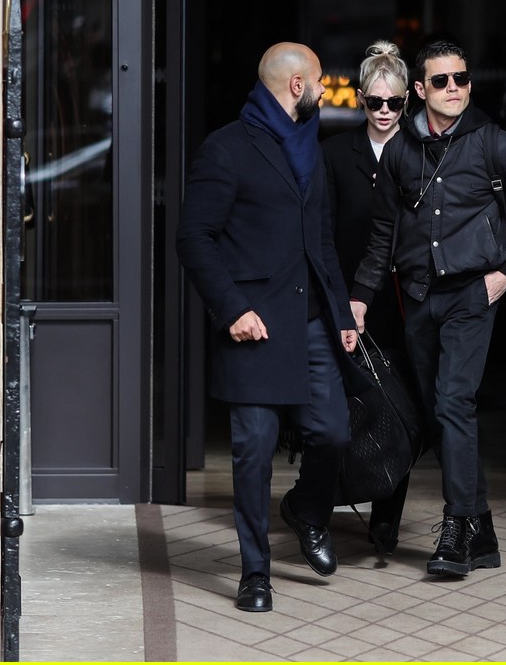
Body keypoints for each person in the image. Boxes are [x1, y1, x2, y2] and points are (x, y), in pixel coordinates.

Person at [349, 39, 506, 576]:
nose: (453, 88)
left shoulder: (497, 145)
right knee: (438, 415)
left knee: (453, 404)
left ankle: (456, 531)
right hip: (419, 297)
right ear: (420, 89)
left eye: (461, 78)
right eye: (441, 81)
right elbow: (382, 235)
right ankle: (482, 529)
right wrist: (360, 298)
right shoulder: (400, 151)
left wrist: (504, 276)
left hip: (472, 295)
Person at [177, 42, 359, 614]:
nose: (326, 93)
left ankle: (307, 510)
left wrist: (341, 312)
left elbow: (321, 240)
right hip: (253, 326)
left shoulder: (312, 149)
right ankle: (255, 573)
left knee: (333, 433)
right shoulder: (226, 148)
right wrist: (232, 309)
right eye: (321, 84)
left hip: (311, 322)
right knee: (253, 455)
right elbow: (193, 238)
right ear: (297, 86)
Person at [321, 40, 414, 553]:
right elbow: (325, 233)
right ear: (360, 99)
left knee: (404, 407)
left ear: (407, 101)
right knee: (349, 406)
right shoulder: (336, 154)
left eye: (393, 102)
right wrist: (340, 302)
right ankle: (325, 502)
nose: (383, 111)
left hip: (405, 302)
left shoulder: (423, 154)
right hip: (351, 299)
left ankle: (387, 519)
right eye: (374, 101)